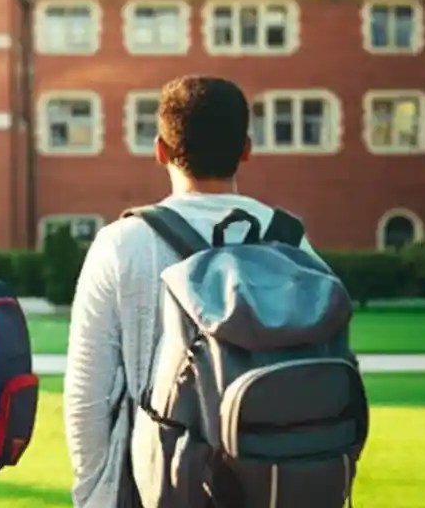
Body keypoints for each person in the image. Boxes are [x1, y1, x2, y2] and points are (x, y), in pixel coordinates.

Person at [63, 76, 321, 507]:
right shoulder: (293, 242)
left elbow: (88, 393)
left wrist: (94, 496)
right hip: (275, 482)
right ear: (246, 150)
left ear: (160, 150)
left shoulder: (123, 243)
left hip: (162, 483)